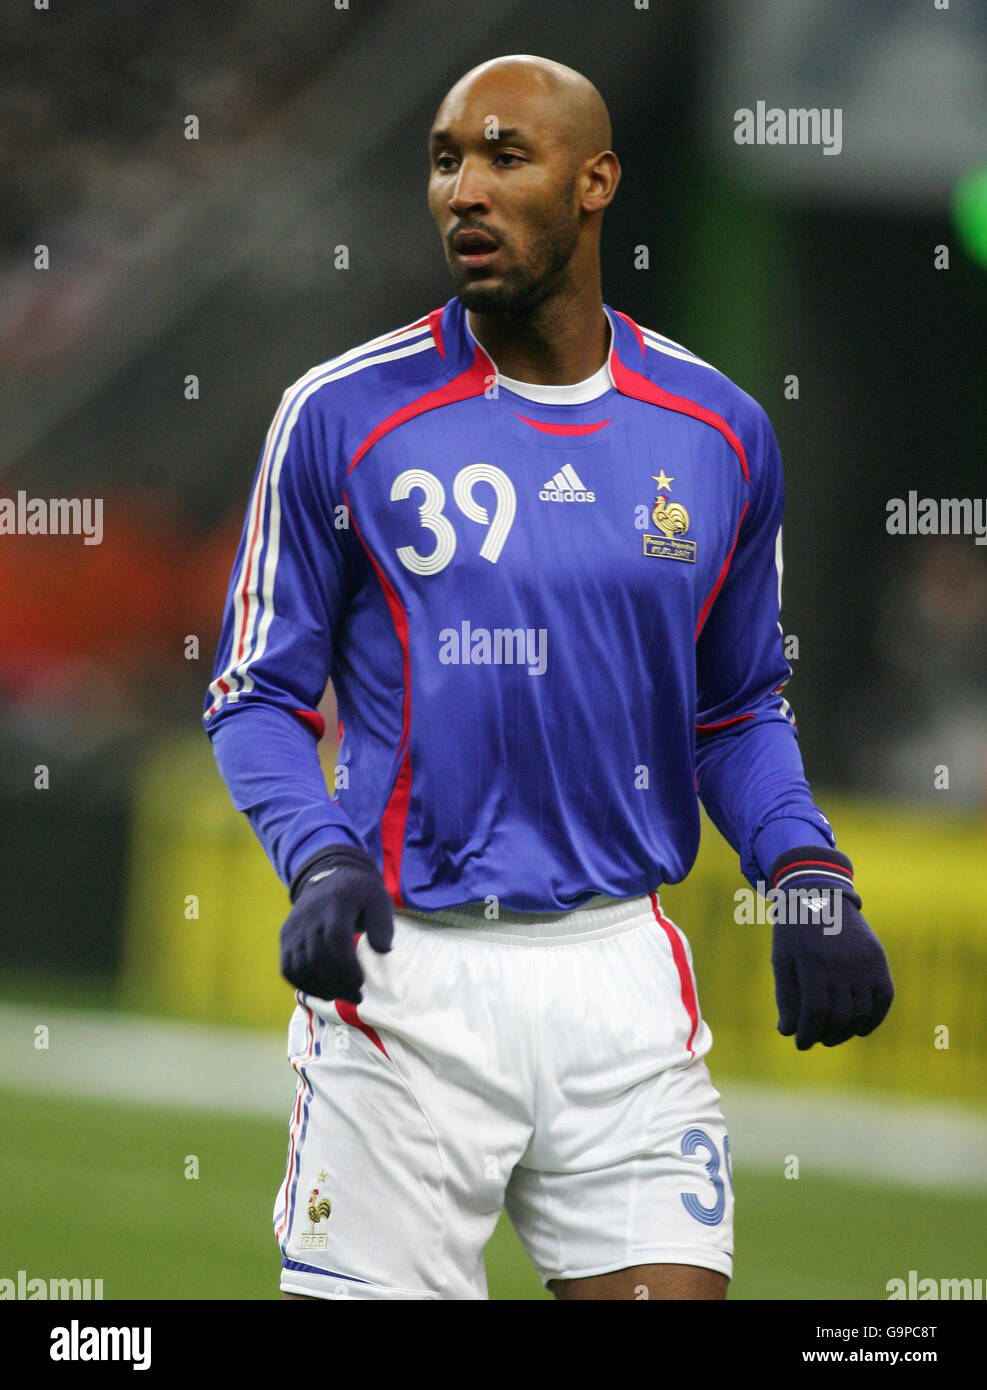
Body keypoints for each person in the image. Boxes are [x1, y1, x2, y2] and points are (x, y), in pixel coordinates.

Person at [203, 54, 893, 1302]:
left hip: (619, 983)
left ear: (595, 183)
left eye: (504, 156)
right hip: (403, 982)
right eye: (444, 158)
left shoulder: (719, 429)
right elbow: (255, 696)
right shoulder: (339, 417)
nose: (464, 189)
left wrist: (802, 869)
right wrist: (319, 854)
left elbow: (734, 709)